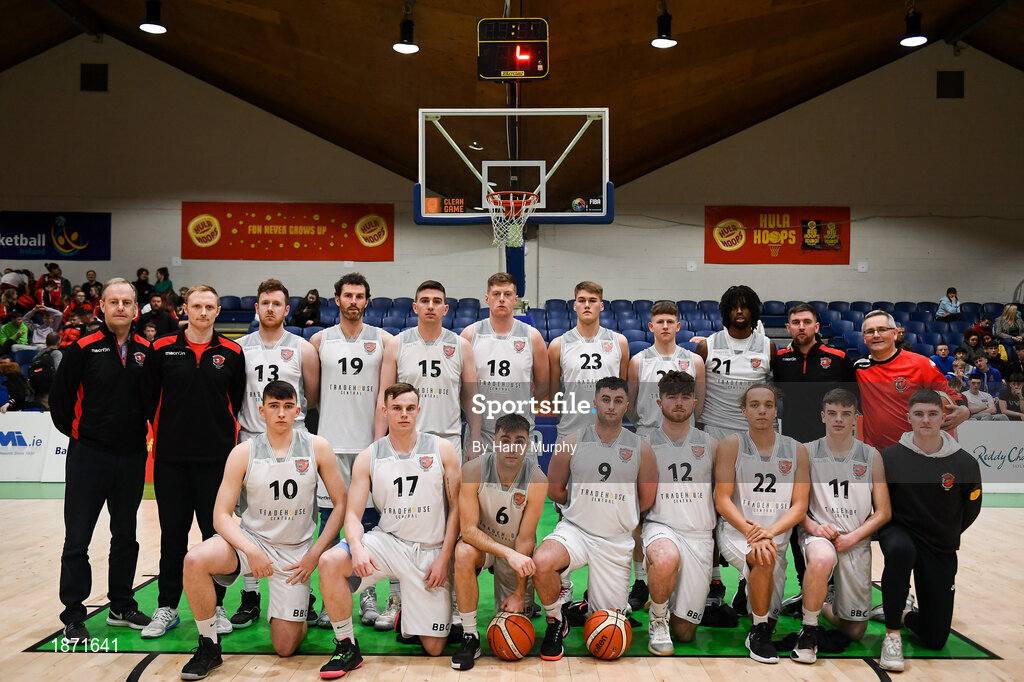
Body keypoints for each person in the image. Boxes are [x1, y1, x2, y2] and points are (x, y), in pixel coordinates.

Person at [178, 381, 348, 680]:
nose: (281, 413)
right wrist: (250, 550)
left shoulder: (317, 447)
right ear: (262, 410)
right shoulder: (243, 452)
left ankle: (297, 607)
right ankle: (209, 645)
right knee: (195, 560)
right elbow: (220, 516)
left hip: (295, 552)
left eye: (287, 406)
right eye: (274, 406)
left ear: (298, 410)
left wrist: (314, 554)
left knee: (285, 647)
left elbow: (341, 503)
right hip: (252, 542)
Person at [317, 382, 462, 676]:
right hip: (388, 543)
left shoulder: (442, 449)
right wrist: (356, 547)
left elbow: (457, 509)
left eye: (410, 408)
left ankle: (408, 618)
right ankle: (346, 646)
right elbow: (353, 514)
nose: (403, 414)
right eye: (396, 408)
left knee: (434, 647)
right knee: (330, 561)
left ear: (418, 410)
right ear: (385, 411)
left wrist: (444, 558)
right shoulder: (369, 456)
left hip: (429, 551)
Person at [49, 278, 152, 643]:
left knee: (125, 535)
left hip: (131, 457)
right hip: (88, 457)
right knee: (78, 538)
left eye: (127, 302)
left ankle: (121, 606)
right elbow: (60, 403)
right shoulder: (82, 348)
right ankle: (74, 614)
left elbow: (152, 402)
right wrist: (85, 436)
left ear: (135, 309)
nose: (120, 307)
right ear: (102, 307)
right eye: (114, 302)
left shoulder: (147, 351)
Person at [142, 285, 246, 639]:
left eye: (209, 307)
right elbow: (149, 399)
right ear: (184, 309)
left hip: (216, 462)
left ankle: (216, 607)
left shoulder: (232, 352)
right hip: (170, 460)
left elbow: (235, 402)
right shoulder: (161, 348)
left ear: (218, 311)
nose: (203, 312)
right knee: (172, 535)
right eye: (196, 306)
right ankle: (167, 607)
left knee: (215, 537)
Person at [532, 377, 658, 661]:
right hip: (576, 531)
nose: (611, 406)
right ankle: (556, 621)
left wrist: (616, 514)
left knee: (607, 632)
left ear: (626, 405)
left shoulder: (641, 448)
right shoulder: (571, 442)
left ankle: (585, 606)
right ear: (594, 403)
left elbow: (646, 499)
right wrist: (582, 506)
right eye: (605, 399)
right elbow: (555, 489)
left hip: (615, 541)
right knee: (542, 561)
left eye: (618, 401)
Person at [231, 279, 321, 629]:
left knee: (299, 517)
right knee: (249, 518)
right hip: (251, 440)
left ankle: (303, 591)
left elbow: (312, 397)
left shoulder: (302, 348)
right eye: (265, 303)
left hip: (294, 442)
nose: (270, 308)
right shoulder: (239, 348)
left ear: (286, 309)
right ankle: (250, 594)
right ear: (256, 308)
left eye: (277, 303)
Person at [872, 389, 982, 672]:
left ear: (943, 417)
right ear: (908, 417)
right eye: (919, 414)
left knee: (935, 639)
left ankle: (900, 613)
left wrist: (947, 532)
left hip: (939, 544)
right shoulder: (890, 457)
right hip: (900, 533)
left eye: (933, 414)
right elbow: (880, 503)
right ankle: (892, 635)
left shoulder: (965, 463)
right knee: (900, 550)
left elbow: (971, 509)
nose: (926, 420)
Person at [310, 272, 393, 629]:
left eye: (360, 296)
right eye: (348, 295)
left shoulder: (384, 340)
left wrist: (377, 443)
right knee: (329, 526)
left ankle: (367, 593)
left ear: (367, 301)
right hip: (330, 447)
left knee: (368, 525)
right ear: (337, 300)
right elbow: (312, 395)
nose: (353, 301)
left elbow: (385, 396)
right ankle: (331, 598)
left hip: (366, 447)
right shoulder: (319, 341)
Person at [713, 383, 810, 664]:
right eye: (754, 405)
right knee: (762, 562)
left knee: (771, 609)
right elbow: (722, 500)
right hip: (738, 532)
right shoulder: (732, 445)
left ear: (776, 410)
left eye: (768, 405)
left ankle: (747, 592)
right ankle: (758, 632)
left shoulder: (796, 450)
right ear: (744, 411)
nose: (762, 411)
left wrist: (770, 531)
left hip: (774, 535)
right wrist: (751, 532)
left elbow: (800, 506)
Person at [793, 389, 890, 663]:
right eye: (832, 413)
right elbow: (794, 504)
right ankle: (809, 629)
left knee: (855, 630)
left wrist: (854, 537)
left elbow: (883, 512)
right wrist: (814, 527)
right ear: (822, 416)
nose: (839, 419)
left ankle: (819, 601)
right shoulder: (807, 451)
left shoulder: (871, 456)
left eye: (846, 414)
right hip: (818, 532)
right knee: (822, 558)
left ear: (855, 418)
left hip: (855, 538)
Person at [450, 413, 547, 670]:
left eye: (519, 441)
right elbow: (468, 531)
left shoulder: (537, 480)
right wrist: (507, 553)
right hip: (482, 545)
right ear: (494, 441)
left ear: (528, 444)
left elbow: (526, 539)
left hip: (516, 548)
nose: (512, 448)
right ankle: (470, 635)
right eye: (505, 440)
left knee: (512, 622)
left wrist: (519, 593)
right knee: (463, 552)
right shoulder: (473, 470)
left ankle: (526, 600)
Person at [626, 299, 705, 612]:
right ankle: (640, 580)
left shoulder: (694, 361)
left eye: (670, 321)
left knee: (681, 507)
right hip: (648, 439)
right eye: (659, 321)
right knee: (640, 512)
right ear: (651, 326)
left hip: (685, 443)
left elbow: (700, 402)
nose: (665, 326)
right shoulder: (638, 361)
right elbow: (631, 405)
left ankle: (681, 573)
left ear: (678, 325)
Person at [641, 371, 717, 655]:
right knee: (665, 558)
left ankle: (663, 592)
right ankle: (658, 617)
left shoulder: (711, 445)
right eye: (672, 397)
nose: (679, 403)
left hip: (699, 535)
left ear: (695, 402)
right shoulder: (644, 444)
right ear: (659, 402)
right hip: (661, 526)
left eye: (685, 397)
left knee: (685, 632)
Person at [381, 280, 481, 455]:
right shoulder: (397, 344)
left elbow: (472, 397)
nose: (430, 306)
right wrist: (380, 440)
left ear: (445, 309)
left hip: (449, 440)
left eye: (436, 301)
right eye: (424, 301)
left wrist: (475, 440)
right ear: (415, 307)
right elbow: (384, 396)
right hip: (407, 439)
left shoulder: (461, 346)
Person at [854, 310, 969, 451]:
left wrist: (964, 409)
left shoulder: (920, 363)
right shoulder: (858, 367)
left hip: (916, 451)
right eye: (870, 331)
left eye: (882, 330)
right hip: (875, 453)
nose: (876, 335)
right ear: (864, 338)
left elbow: (948, 392)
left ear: (895, 333)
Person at [461, 272, 548, 450]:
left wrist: (524, 405)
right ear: (487, 299)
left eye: (507, 294)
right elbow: (461, 387)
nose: (501, 299)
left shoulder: (532, 336)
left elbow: (544, 385)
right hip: (480, 434)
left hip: (520, 433)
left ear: (515, 299)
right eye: (496, 294)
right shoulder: (469, 335)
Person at [549, 281, 629, 444]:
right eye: (581, 300)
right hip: (570, 431)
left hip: (610, 433)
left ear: (601, 306)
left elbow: (622, 386)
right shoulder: (559, 344)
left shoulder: (619, 342)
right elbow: (554, 392)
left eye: (592, 301)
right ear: (574, 305)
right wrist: (565, 415)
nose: (587, 305)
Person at [28, 332, 62, 410]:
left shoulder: (38, 355)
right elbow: (58, 372)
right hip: (51, 389)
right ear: (59, 343)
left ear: (46, 342)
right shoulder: (56, 353)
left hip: (37, 390)